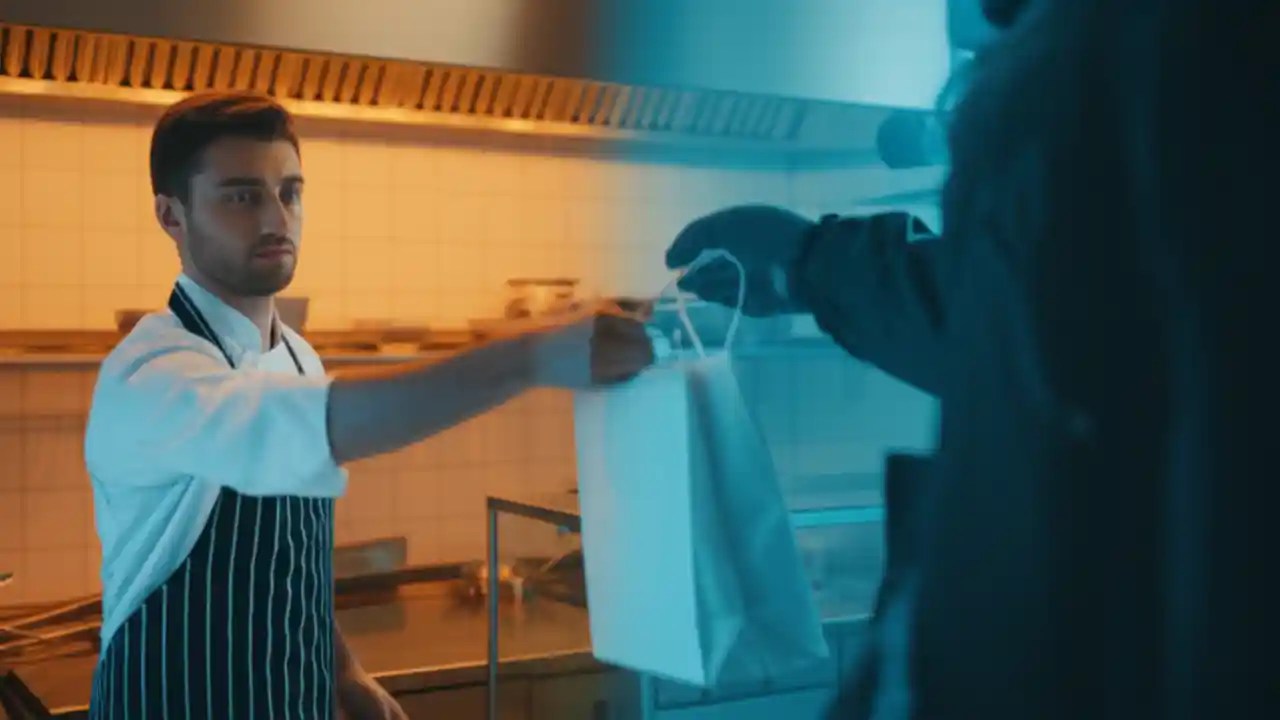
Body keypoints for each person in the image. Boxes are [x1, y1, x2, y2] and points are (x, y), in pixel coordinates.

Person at [666, 0, 1277, 717]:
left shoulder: (1130, 63)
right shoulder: (1115, 70)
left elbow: (1041, 328)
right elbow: (1031, 309)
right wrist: (808, 264)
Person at [83, 92, 654, 719]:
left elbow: (287, 567)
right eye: (242, 196)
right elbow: (326, 420)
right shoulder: (153, 373)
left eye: (290, 192)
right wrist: (535, 357)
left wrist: (345, 672)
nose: (277, 219)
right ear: (172, 215)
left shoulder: (298, 358)